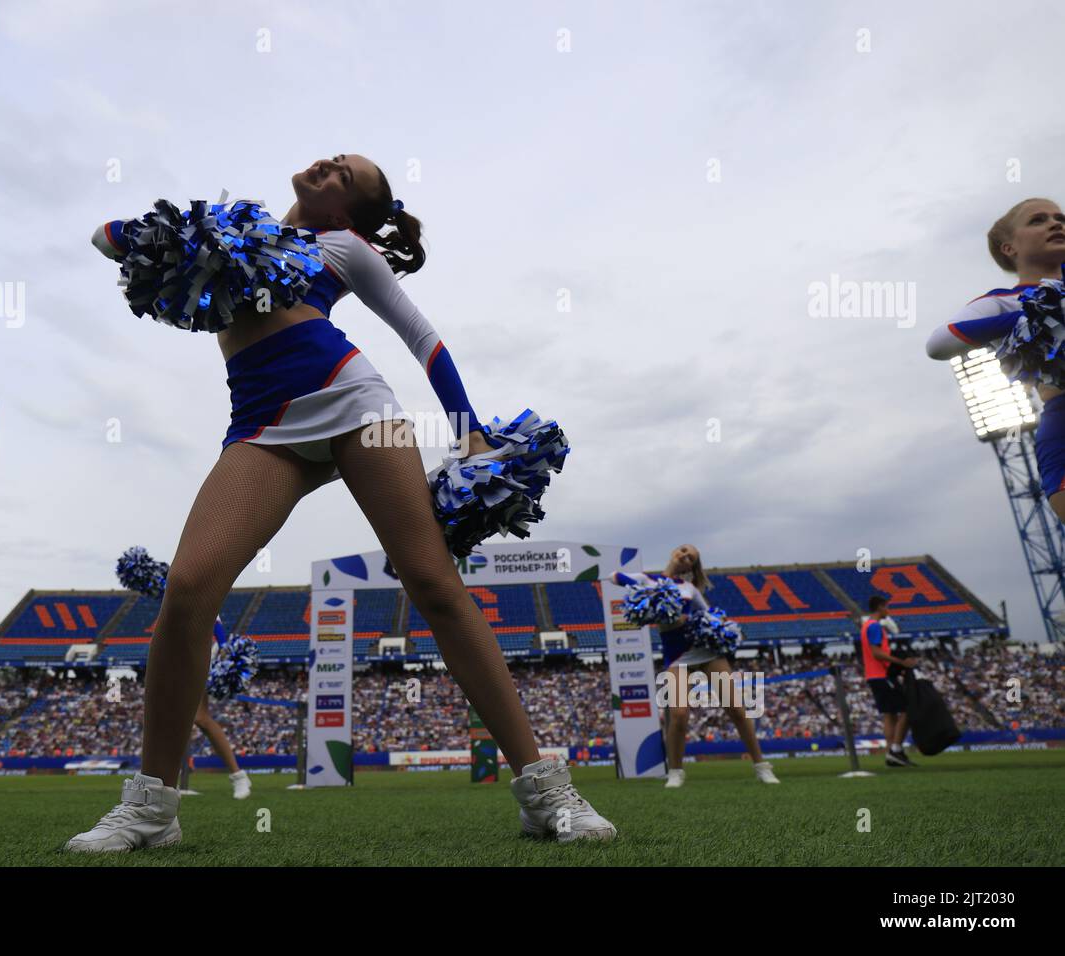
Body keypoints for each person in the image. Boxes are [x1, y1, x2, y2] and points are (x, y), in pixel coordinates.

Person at [66, 154, 615, 851]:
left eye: (345, 176)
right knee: (189, 587)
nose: (328, 164)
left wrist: (470, 432)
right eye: (334, 158)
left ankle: (544, 791)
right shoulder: (234, 236)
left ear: (347, 213)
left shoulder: (344, 249)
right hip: (264, 424)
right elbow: (105, 237)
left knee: (433, 582)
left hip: (358, 405)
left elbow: (423, 336)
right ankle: (152, 809)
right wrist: (168, 235)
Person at [926, 198, 1065, 521]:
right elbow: (938, 343)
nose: (1056, 224)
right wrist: (1028, 318)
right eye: (1038, 220)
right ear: (1009, 248)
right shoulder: (1005, 302)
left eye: (1061, 218)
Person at [611, 544, 779, 789]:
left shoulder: (690, 589)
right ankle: (676, 772)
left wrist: (697, 620)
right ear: (672, 553)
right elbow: (615, 577)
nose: (685, 556)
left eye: (691, 557)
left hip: (707, 653)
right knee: (678, 715)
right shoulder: (648, 581)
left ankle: (762, 767)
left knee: (736, 709)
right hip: (677, 656)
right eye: (683, 551)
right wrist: (641, 589)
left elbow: (708, 615)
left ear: (692, 567)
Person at [191, 618, 251, 800]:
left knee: (201, 718)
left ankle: (238, 776)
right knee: (170, 717)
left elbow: (213, 618)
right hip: (175, 650)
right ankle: (163, 782)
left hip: (197, 652)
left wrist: (224, 647)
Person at [859, 594, 919, 767]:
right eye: (887, 607)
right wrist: (901, 662)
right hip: (882, 675)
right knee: (908, 708)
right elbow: (876, 653)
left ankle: (891, 755)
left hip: (874, 675)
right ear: (879, 607)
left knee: (889, 715)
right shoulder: (875, 626)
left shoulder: (867, 626)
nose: (888, 610)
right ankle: (896, 750)